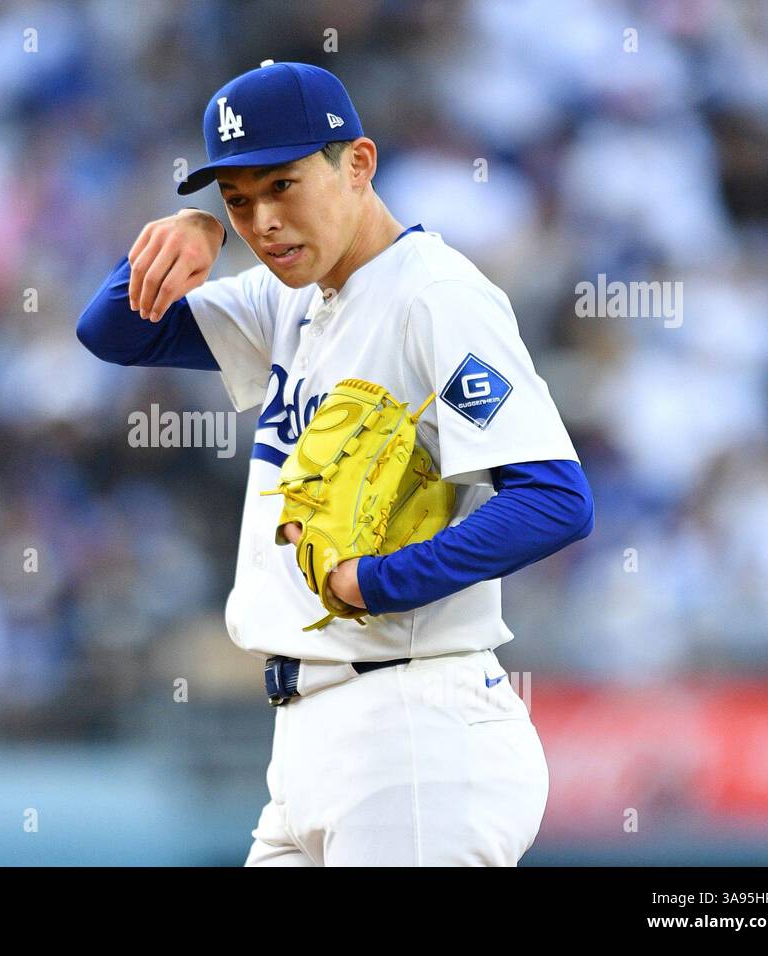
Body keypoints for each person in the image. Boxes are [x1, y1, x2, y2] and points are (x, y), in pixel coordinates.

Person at [76, 60, 594, 866]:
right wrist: (190, 230)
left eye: (282, 185)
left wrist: (380, 582)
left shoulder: (435, 296)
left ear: (357, 164)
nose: (263, 221)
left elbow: (556, 500)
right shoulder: (290, 296)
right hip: (308, 743)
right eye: (238, 200)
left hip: (414, 734)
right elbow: (114, 332)